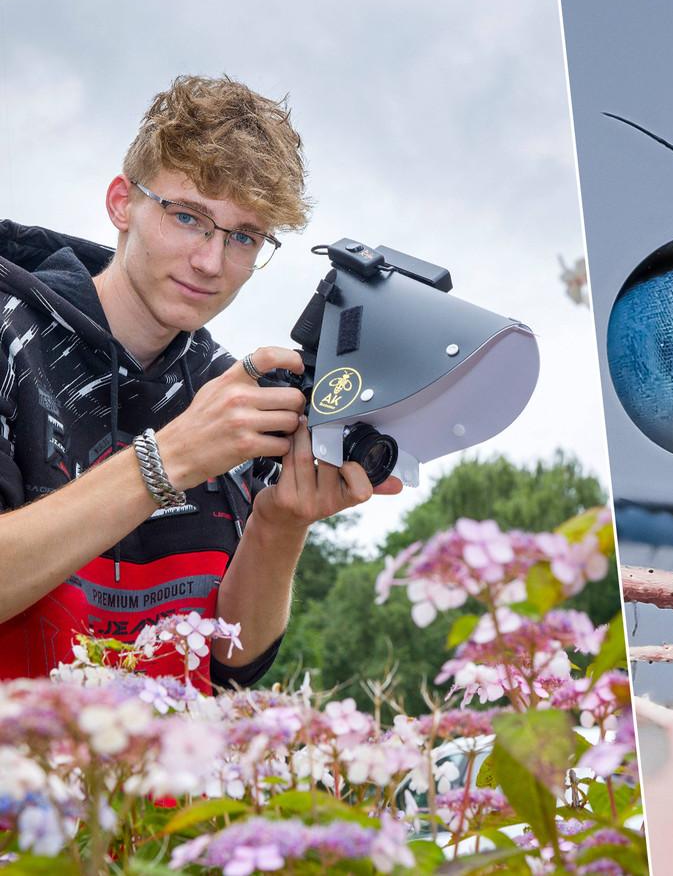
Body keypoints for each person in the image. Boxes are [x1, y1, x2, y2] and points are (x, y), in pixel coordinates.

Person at [0, 75, 402, 690]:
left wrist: (279, 524)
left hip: (164, 782)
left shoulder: (225, 392)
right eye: (189, 217)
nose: (211, 262)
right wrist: (173, 457)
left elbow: (230, 667)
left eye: (243, 237)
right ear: (121, 203)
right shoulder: (9, 337)